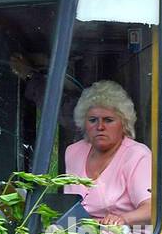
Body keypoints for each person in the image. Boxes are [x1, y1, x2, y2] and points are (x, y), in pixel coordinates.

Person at [63, 81, 152, 226]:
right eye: (93, 120)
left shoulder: (137, 155)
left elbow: (151, 208)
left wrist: (123, 219)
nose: (100, 127)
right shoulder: (73, 152)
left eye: (108, 120)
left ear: (124, 124)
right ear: (83, 123)